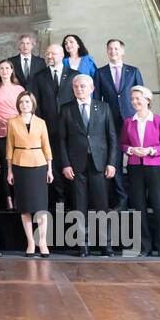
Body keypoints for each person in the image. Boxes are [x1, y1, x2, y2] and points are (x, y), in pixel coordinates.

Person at [56, 75, 120, 256]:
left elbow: (112, 138)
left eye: (83, 86)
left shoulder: (104, 107)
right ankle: (83, 245)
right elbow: (61, 140)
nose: (79, 89)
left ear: (92, 88)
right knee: (80, 205)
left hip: (99, 163)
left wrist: (111, 163)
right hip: (76, 165)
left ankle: (106, 244)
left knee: (102, 205)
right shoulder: (66, 109)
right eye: (76, 86)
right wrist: (65, 164)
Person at [121, 85, 160, 257]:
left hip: (155, 166)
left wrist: (150, 151)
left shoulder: (159, 121)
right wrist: (131, 150)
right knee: (138, 207)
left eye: (138, 98)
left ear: (147, 100)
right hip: (135, 167)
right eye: (133, 98)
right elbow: (123, 144)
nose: (134, 101)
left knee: (159, 206)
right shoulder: (128, 121)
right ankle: (144, 246)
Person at [94, 39, 143, 209]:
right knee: (114, 159)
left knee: (136, 158)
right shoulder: (100, 73)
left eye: (116, 48)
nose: (113, 51)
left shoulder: (133, 71)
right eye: (109, 49)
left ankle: (139, 197)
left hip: (132, 121)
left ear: (122, 51)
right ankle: (122, 198)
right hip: (110, 121)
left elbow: (141, 96)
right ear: (107, 51)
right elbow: (97, 101)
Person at [30, 44, 77, 211]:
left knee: (72, 163)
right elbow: (35, 103)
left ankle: (74, 199)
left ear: (62, 55)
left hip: (71, 128)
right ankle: (59, 198)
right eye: (47, 53)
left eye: (53, 53)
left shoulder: (74, 75)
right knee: (53, 164)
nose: (50, 56)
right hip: (48, 128)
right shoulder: (38, 77)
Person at [6, 91, 53, 256]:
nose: (24, 105)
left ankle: (42, 241)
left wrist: (50, 169)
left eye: (27, 102)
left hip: (39, 165)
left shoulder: (41, 122)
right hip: (19, 165)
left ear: (32, 104)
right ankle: (30, 242)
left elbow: (46, 146)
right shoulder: (12, 122)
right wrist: (10, 171)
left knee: (40, 207)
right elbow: (9, 148)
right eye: (21, 102)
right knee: (24, 207)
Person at [0, 58, 26, 211]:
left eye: (7, 68)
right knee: (5, 165)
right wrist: (3, 121)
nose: (4, 70)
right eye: (1, 68)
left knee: (18, 165)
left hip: (18, 131)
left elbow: (25, 108)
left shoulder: (19, 89)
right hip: (1, 131)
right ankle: (8, 199)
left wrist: (14, 122)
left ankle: (18, 198)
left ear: (11, 70)